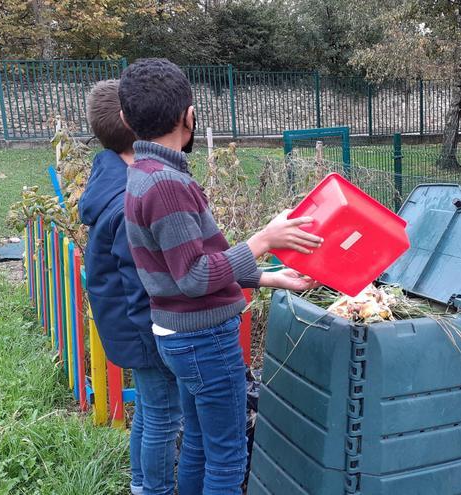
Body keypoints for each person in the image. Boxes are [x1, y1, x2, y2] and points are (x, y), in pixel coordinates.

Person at [119, 58, 322, 495]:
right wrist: (263, 239)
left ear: (126, 120)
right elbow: (194, 276)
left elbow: (186, 268)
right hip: (204, 342)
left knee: (199, 444)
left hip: (178, 336)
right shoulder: (167, 184)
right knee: (228, 458)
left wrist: (270, 278)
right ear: (188, 115)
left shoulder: (144, 175)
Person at [78, 79, 182, 495]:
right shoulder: (129, 197)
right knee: (163, 415)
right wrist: (159, 338)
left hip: (125, 322)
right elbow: (139, 282)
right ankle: (153, 489)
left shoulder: (110, 174)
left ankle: (142, 483)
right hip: (144, 328)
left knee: (153, 410)